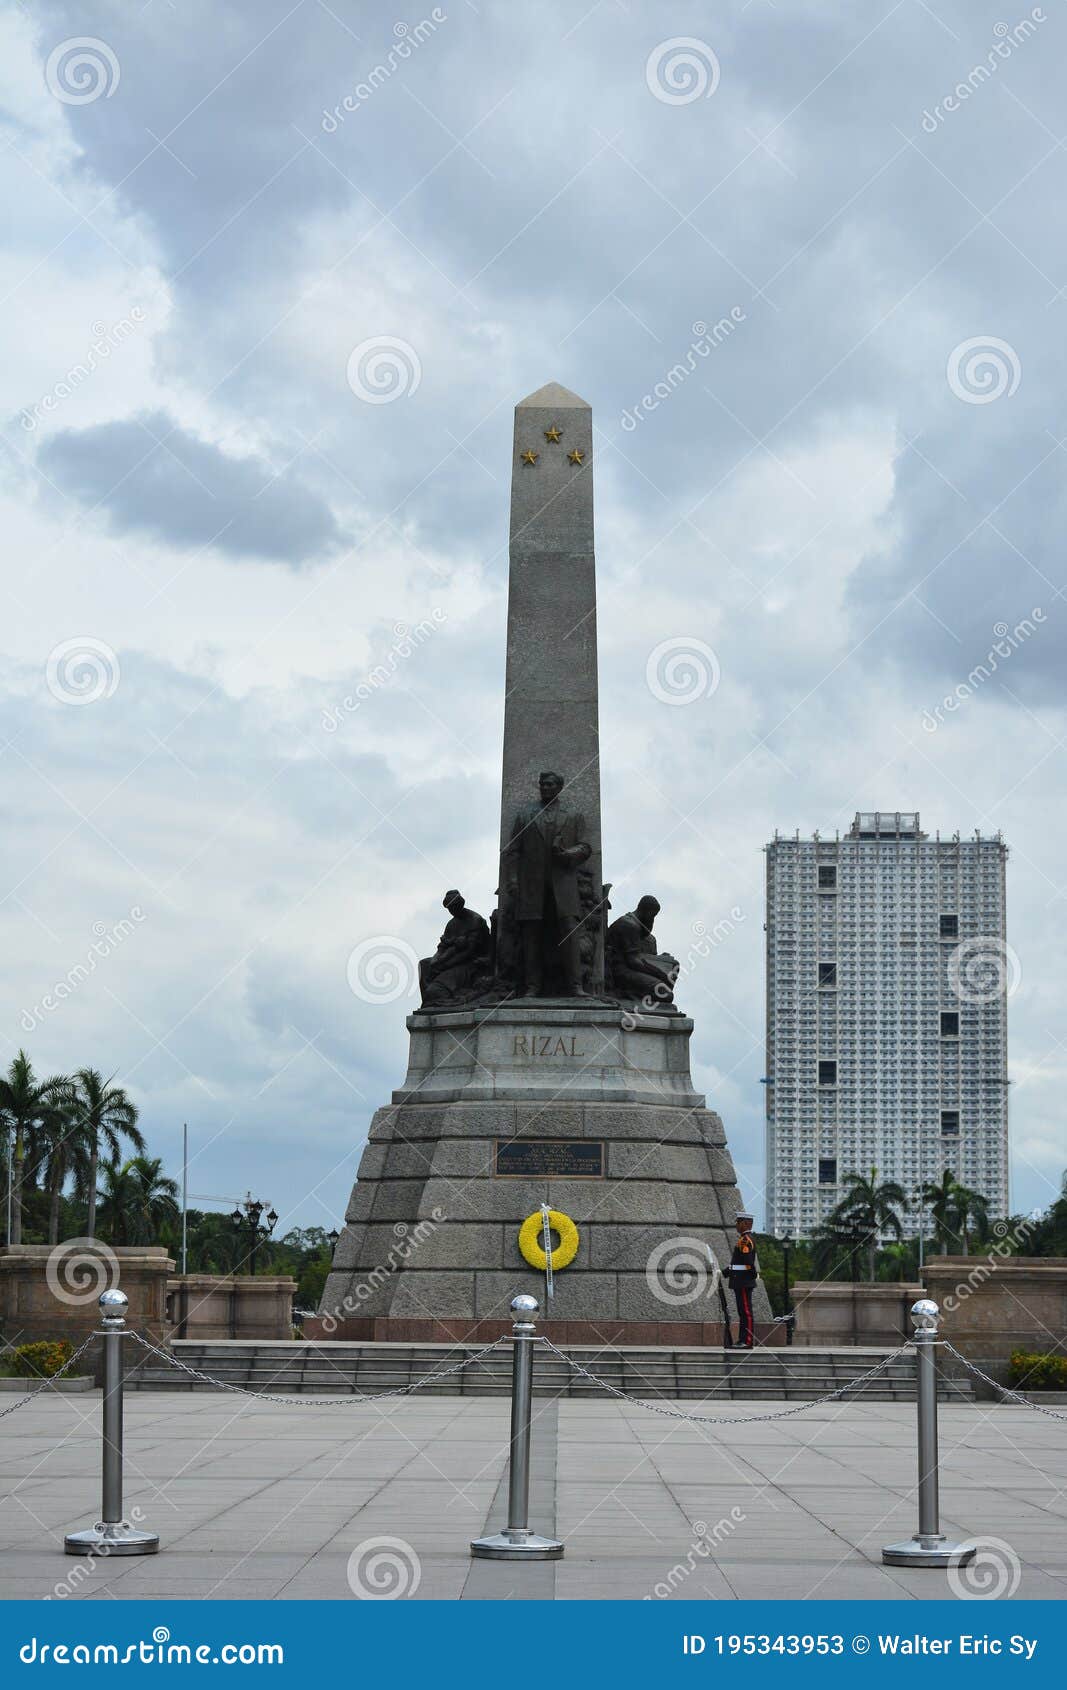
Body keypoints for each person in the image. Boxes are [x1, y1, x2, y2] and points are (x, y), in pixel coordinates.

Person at [502, 771, 591, 997]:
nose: (545, 787)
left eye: (550, 784)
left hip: (563, 884)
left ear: (559, 787)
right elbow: (513, 851)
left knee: (570, 931)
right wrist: (512, 880)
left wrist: (567, 853)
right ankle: (532, 986)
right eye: (542, 784)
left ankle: (576, 985)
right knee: (532, 934)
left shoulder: (573, 815)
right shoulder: (525, 815)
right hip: (531, 885)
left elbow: (585, 847)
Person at [605, 894, 679, 1008]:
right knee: (665, 993)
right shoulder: (629, 925)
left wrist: (661, 959)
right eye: (653, 915)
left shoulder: (642, 931)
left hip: (632, 968)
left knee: (674, 967)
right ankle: (624, 993)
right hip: (619, 972)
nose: (653, 919)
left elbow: (641, 956)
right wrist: (661, 974)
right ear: (646, 911)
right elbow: (633, 962)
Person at [418, 890, 491, 1005]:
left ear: (460, 905)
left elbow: (468, 952)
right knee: (424, 964)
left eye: (453, 907)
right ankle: (428, 1000)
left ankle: (438, 994)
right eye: (449, 908)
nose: (451, 911)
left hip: (470, 962)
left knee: (435, 988)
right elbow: (442, 946)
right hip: (452, 958)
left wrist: (445, 964)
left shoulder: (475, 920)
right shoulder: (452, 923)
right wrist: (436, 959)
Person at [728, 1211, 760, 1349]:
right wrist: (725, 1272)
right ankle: (743, 1339)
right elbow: (738, 1263)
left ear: (746, 1223)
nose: (736, 1225)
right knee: (743, 1312)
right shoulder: (744, 1239)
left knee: (746, 1312)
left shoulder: (745, 1240)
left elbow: (748, 1263)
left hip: (743, 1281)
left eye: (738, 1222)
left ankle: (747, 1341)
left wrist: (751, 1275)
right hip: (741, 1280)